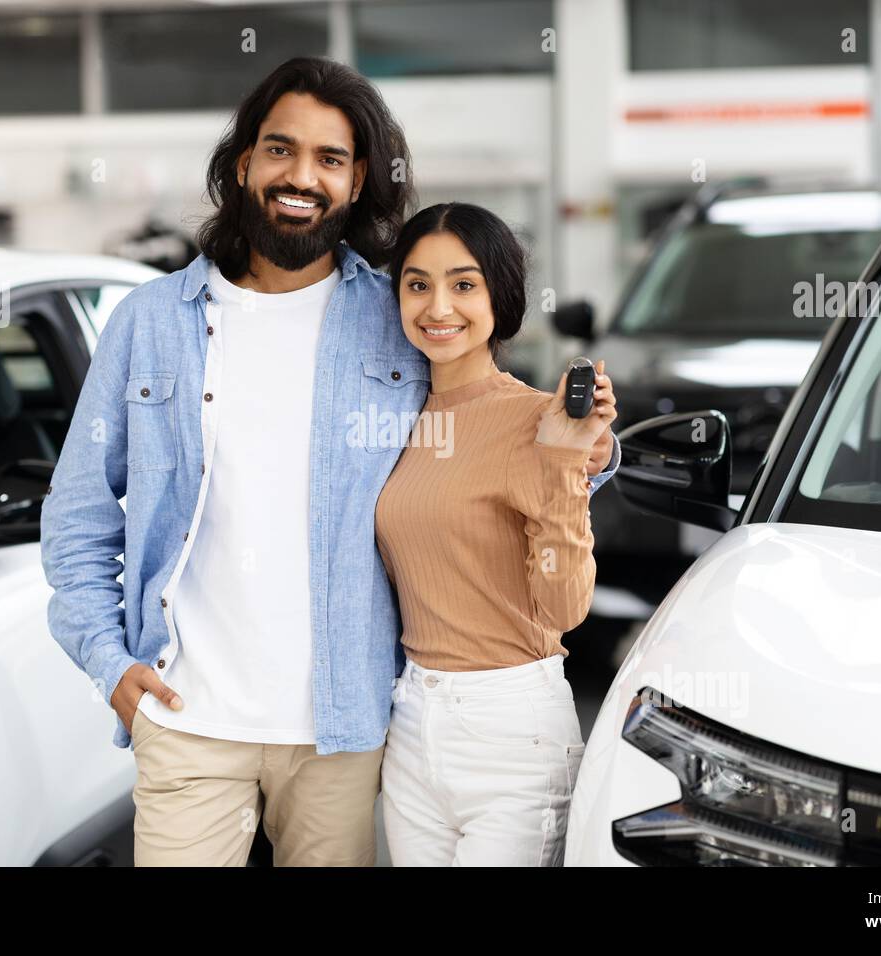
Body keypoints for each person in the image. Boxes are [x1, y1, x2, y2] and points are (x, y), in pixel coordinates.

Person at [39, 57, 619, 868]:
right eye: (281, 150)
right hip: (185, 715)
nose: (300, 176)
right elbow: (77, 514)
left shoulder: (394, 314)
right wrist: (110, 663)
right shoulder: (149, 322)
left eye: (331, 159)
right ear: (243, 164)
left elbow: (490, 413)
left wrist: (590, 445)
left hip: (341, 727)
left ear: (357, 184)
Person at [376, 202, 618, 866]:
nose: (437, 305)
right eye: (417, 283)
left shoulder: (536, 420)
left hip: (513, 731)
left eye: (464, 284)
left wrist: (570, 457)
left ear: (500, 297)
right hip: (413, 721)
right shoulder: (394, 418)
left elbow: (567, 609)